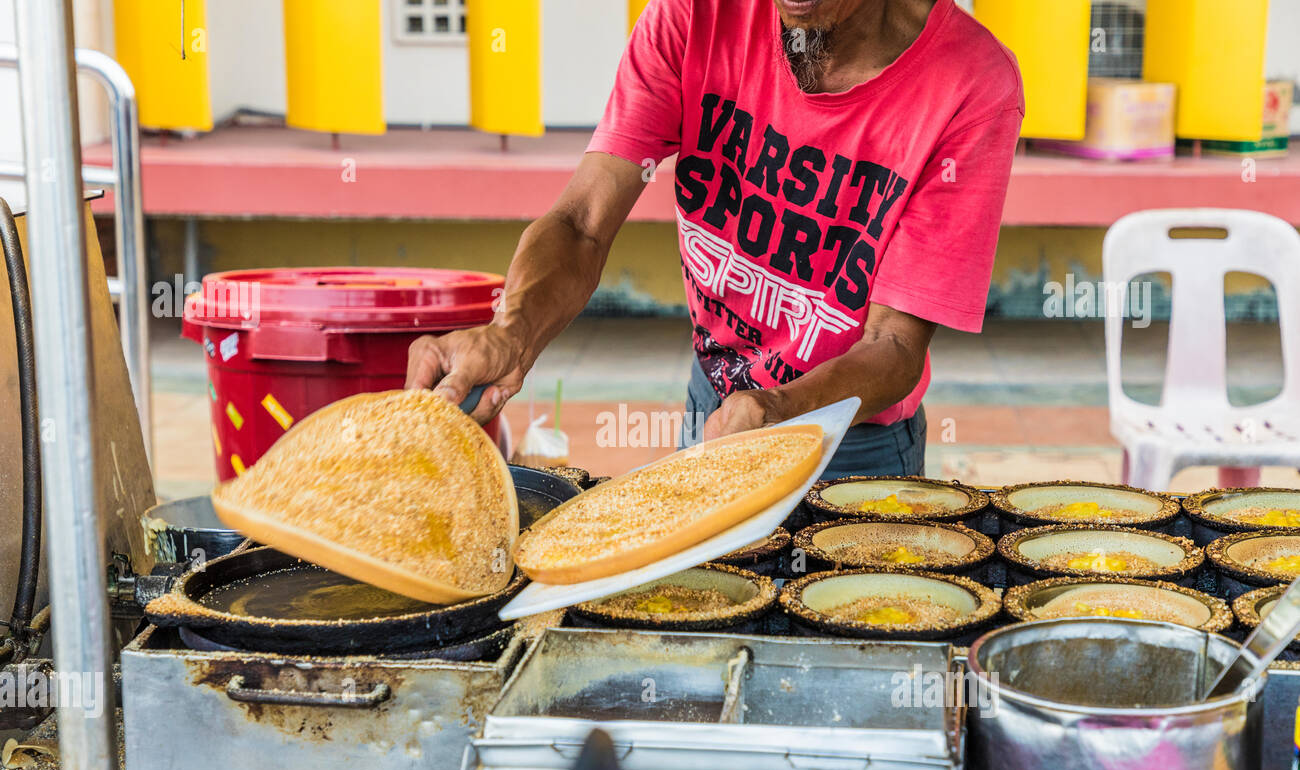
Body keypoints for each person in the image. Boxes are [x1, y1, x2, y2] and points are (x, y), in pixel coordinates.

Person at [406, 0, 1024, 479]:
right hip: (719, 403)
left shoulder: (972, 87)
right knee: (701, 623)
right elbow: (582, 222)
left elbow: (894, 344)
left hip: (852, 437)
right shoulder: (695, 14)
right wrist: (512, 333)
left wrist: (779, 409)